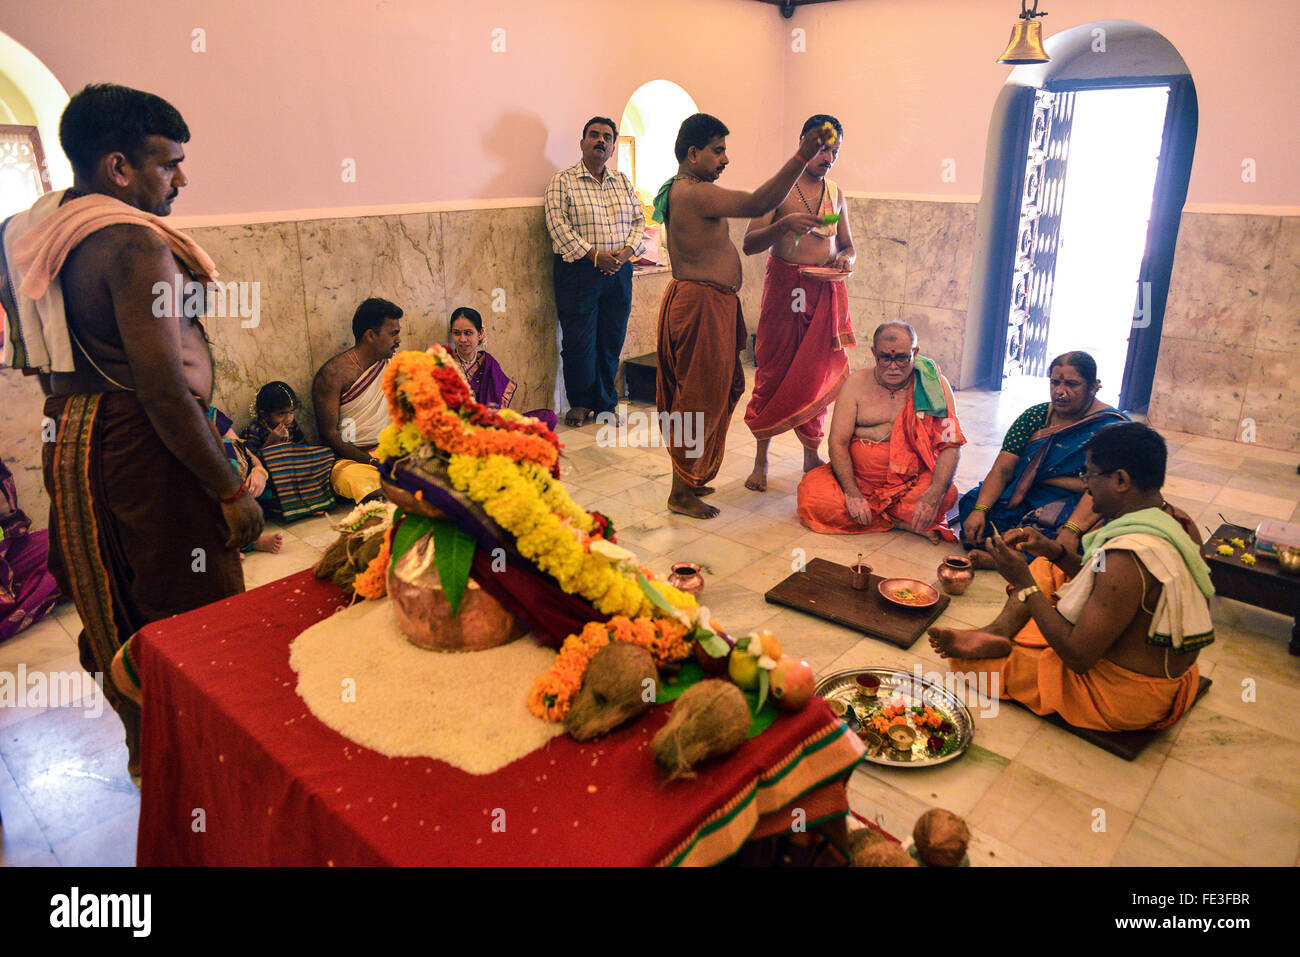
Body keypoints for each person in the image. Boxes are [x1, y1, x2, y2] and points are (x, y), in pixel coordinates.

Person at [0, 84, 262, 775]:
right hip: (144, 444)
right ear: (118, 168)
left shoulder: (33, 233)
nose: (181, 179)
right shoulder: (131, 242)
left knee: (109, 593)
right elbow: (163, 390)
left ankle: (150, 749)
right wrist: (229, 489)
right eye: (168, 164)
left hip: (72, 437)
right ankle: (210, 762)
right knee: (191, 604)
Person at [928, 422, 1214, 733]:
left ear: (1121, 480)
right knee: (1048, 566)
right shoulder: (1178, 521)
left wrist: (1023, 583)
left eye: (1089, 475)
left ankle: (1006, 640)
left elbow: (1077, 658)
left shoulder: (1126, 558)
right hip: (1163, 667)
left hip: (1126, 696)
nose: (1086, 487)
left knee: (974, 665)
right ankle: (998, 631)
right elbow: (1103, 579)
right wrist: (1055, 551)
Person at [654, 113, 837, 518]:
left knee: (716, 392)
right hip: (700, 305)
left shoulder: (687, 190)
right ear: (693, 153)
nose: (725, 159)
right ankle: (680, 493)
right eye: (718, 151)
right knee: (697, 399)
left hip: (711, 303)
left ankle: (691, 476)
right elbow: (757, 204)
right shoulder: (693, 192)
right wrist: (800, 156)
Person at [742, 114, 856, 491]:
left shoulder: (835, 192)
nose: (829, 158)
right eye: (822, 149)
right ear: (804, 143)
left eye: (835, 151)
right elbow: (750, 242)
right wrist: (782, 226)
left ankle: (810, 453)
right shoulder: (779, 189)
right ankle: (761, 460)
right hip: (785, 291)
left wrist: (846, 260)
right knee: (773, 370)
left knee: (816, 373)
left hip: (823, 293)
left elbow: (848, 246)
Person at [796, 321, 964, 541]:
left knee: (946, 493)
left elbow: (951, 446)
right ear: (874, 353)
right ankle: (899, 521)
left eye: (902, 358)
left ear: (915, 353)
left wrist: (934, 494)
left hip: (911, 481)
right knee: (812, 497)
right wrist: (852, 493)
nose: (893, 366)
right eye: (885, 358)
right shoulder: (856, 384)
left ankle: (883, 516)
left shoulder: (934, 386)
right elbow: (837, 442)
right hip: (860, 479)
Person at [958, 351, 1128, 565]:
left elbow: (1102, 489)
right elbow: (1002, 470)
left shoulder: (1112, 428)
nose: (1060, 392)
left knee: (1096, 536)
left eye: (1072, 384)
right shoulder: (1035, 417)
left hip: (1079, 503)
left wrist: (1072, 529)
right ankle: (1016, 554)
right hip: (1028, 494)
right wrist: (980, 510)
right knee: (972, 503)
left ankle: (1007, 558)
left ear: (1094, 387)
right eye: (1055, 383)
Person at [544, 116, 645, 427]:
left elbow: (639, 221)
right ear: (582, 142)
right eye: (594, 135)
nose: (601, 140)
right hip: (579, 271)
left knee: (611, 340)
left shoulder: (622, 182)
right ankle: (580, 402)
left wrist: (625, 254)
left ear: (613, 147)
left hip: (619, 271)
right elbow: (558, 227)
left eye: (607, 137)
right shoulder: (563, 181)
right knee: (579, 342)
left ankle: (605, 403)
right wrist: (595, 256)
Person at [311, 297, 401, 503]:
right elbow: (329, 435)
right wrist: (373, 462)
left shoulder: (394, 365)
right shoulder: (333, 375)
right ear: (370, 335)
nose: (398, 339)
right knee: (350, 477)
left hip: (392, 453)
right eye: (393, 333)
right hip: (354, 461)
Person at [240, 381, 338, 521]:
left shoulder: (292, 425)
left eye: (291, 412)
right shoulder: (254, 429)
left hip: (294, 471)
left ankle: (312, 503)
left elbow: (303, 448)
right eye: (281, 414)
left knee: (326, 454)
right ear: (264, 414)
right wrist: (271, 443)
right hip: (274, 478)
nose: (288, 419)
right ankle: (297, 507)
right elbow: (250, 462)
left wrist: (292, 450)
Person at [447, 307, 558, 430]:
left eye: (468, 333)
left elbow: (497, 409)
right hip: (464, 431)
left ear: (480, 334)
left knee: (548, 417)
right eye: (457, 333)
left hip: (492, 426)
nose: (462, 339)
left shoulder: (488, 362)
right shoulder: (445, 364)